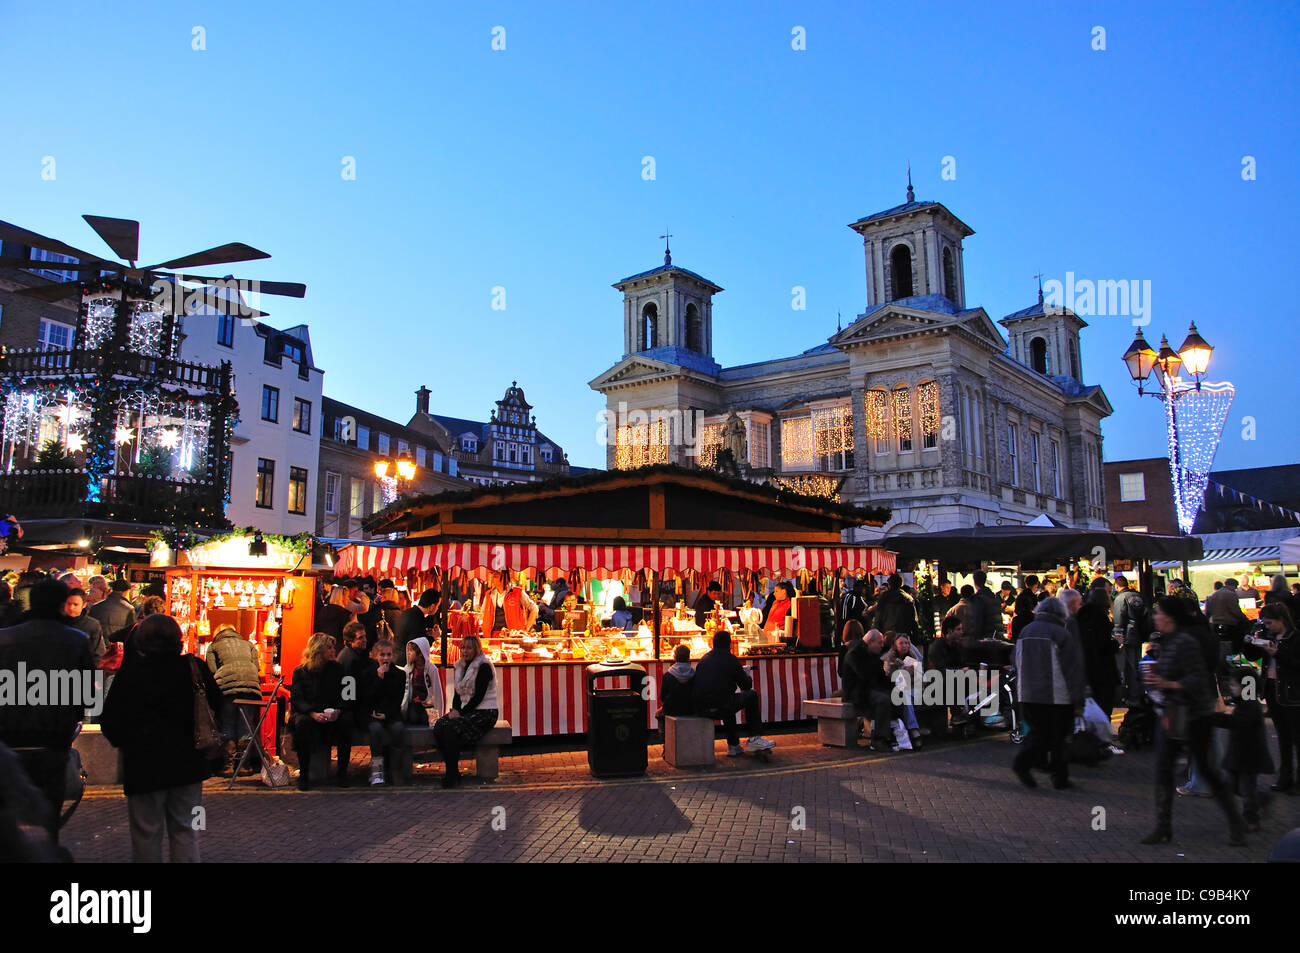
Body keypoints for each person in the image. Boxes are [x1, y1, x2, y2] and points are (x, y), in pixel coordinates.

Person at [100, 614, 220, 862]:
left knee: (145, 832)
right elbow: (217, 703)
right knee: (187, 828)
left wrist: (128, 743)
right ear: (178, 639)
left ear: (141, 640)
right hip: (188, 764)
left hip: (143, 765)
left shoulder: (131, 674)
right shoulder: (193, 668)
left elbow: (111, 722)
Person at [1140, 596, 1246, 845]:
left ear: (1171, 617)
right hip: (1173, 713)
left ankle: (1235, 822)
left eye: (1159, 614)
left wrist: (1167, 683)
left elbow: (1196, 679)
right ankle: (1163, 826)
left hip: (1192, 714)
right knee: (1166, 769)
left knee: (1205, 768)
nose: (1155, 618)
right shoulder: (1170, 640)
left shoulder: (1184, 641)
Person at [0, 578, 94, 844]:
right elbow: (86, 695)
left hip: (8, 738)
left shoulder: (5, 638)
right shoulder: (75, 640)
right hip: (53, 738)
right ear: (61, 604)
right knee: (48, 814)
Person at [1012, 596, 1086, 790]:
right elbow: (1072, 668)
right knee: (1058, 737)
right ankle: (1056, 776)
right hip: (1056, 695)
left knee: (1038, 733)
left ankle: (1029, 764)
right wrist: (1078, 699)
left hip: (1027, 693)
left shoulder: (1025, 631)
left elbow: (1015, 661)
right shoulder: (1061, 634)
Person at [1207, 667, 1275, 832]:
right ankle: (1261, 799)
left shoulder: (1250, 706)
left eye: (1235, 685)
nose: (1231, 687)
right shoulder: (1245, 703)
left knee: (1246, 788)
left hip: (1249, 754)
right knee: (1236, 786)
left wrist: (1210, 718)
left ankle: (1251, 819)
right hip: (1240, 754)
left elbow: (1236, 722)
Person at [691, 631, 776, 755]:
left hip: (702, 707)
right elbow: (746, 686)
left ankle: (734, 745)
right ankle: (754, 738)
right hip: (721, 705)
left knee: (726, 700)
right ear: (729, 645)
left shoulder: (704, 659)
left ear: (713, 644)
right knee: (751, 696)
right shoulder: (731, 659)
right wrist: (746, 674)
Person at [432, 635, 499, 787]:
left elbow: (478, 697)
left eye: (469, 648)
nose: (465, 651)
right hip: (467, 710)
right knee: (440, 726)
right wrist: (455, 710)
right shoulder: (461, 666)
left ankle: (452, 775)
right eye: (463, 647)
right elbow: (457, 693)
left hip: (485, 711)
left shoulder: (483, 666)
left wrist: (460, 713)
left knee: (450, 729)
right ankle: (453, 770)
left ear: (476, 649)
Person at [290, 633, 347, 790]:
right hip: (309, 713)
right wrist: (312, 713)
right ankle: (304, 775)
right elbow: (296, 698)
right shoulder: (300, 671)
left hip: (331, 713)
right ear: (318, 649)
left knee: (346, 722)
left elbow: (347, 694)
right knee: (303, 724)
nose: (332, 651)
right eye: (329, 648)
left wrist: (338, 711)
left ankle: (342, 773)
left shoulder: (338, 669)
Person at [205, 625, 264, 774]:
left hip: (227, 690)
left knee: (228, 724)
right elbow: (256, 667)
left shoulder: (213, 646)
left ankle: (229, 765)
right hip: (250, 686)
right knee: (246, 724)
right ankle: (244, 765)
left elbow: (212, 670)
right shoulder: (249, 644)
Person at [1254, 603, 1299, 794]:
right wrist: (1253, 643)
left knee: (1296, 736)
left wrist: (1276, 653)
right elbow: (1253, 656)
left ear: (1281, 620)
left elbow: (1296, 664)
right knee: (1283, 736)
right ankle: (1285, 777)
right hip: (1273, 689)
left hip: (1292, 692)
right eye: (1265, 623)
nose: (1268, 626)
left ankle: (1295, 779)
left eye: (1270, 623)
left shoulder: (1295, 638)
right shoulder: (1269, 636)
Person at [360, 639, 408, 785]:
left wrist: (387, 714)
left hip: (391, 713)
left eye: (388, 655)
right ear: (376, 656)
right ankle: (377, 771)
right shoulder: (368, 673)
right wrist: (379, 680)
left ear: (393, 656)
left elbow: (397, 698)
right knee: (375, 730)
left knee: (398, 729)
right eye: (382, 655)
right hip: (373, 714)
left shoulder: (399, 674)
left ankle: (395, 770)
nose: (385, 658)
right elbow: (367, 698)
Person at [1076, 582, 1119, 717]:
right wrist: (1116, 644)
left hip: (1085, 669)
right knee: (1105, 704)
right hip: (1103, 670)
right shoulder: (1100, 618)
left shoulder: (1081, 616)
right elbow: (1103, 646)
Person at [1112, 575, 1150, 705]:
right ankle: (1140, 692)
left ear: (1117, 586)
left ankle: (1133, 695)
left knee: (1129, 666)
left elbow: (1118, 619)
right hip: (1139, 634)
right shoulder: (1139, 596)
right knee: (1138, 664)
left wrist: (1117, 637)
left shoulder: (1120, 598)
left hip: (1127, 636)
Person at [883, 632, 925, 747]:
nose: (905, 645)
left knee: (907, 696)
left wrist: (914, 672)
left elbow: (921, 680)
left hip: (915, 690)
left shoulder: (914, 658)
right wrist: (902, 670)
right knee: (905, 697)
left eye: (906, 643)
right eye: (901, 643)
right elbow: (890, 679)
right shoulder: (890, 660)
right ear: (895, 645)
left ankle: (912, 730)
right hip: (899, 691)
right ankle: (914, 730)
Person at [401, 635, 445, 725]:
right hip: (413, 704)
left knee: (424, 719)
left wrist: (439, 713)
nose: (408, 653)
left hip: (427, 705)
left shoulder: (431, 669)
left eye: (411, 650)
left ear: (420, 653)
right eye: (408, 650)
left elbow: (437, 691)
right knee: (413, 717)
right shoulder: (409, 668)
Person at [480, 570, 537, 637]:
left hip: (514, 637)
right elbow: (482, 615)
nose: (493, 577)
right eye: (492, 574)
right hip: (492, 637)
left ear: (505, 576)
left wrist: (526, 629)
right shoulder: (488, 595)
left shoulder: (517, 592)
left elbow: (534, 609)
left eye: (497, 574)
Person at [1206, 577, 1250, 654]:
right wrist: (1245, 619)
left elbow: (1208, 611)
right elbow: (1235, 611)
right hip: (1230, 625)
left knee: (1220, 648)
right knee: (1234, 646)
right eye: (1235, 587)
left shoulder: (1214, 594)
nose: (1235, 589)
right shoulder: (1231, 594)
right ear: (1233, 585)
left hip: (1215, 625)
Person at [64, 587, 106, 667]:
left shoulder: (92, 625)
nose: (71, 608)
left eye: (75, 604)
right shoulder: (58, 622)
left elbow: (98, 654)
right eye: (68, 604)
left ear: (84, 605)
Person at [89, 578, 136, 645]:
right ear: (126, 591)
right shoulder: (129, 609)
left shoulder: (95, 607)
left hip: (98, 646)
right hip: (117, 649)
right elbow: (131, 632)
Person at [395, 588, 440, 655]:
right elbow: (418, 646)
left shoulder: (408, 612)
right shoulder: (418, 618)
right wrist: (433, 637)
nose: (438, 608)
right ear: (432, 606)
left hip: (398, 656)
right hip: (405, 660)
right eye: (438, 606)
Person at [658, 643, 696, 718]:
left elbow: (662, 696)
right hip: (690, 710)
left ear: (674, 657)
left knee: (658, 714)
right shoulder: (694, 675)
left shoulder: (668, 675)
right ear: (688, 657)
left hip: (671, 710)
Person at [972, 571, 1002, 640]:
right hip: (996, 637)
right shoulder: (994, 598)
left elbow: (978, 622)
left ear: (974, 582)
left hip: (986, 639)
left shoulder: (979, 599)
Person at [1010, 576, 1040, 641]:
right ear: (1036, 584)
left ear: (1026, 584)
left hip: (1019, 625)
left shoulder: (1020, 596)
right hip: (1030, 626)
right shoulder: (1033, 597)